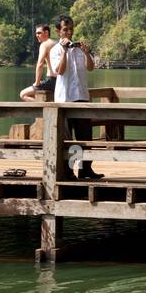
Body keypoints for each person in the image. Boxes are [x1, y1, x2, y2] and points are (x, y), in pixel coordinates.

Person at [50, 15, 103, 181]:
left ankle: (85, 169)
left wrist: (86, 53)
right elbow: (60, 71)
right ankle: (68, 172)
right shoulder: (56, 50)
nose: (69, 32)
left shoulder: (79, 48)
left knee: (85, 138)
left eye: (71, 28)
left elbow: (91, 67)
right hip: (65, 100)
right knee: (68, 140)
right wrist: (65, 51)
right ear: (58, 31)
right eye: (65, 29)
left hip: (82, 97)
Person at [18, 23, 58, 101]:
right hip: (61, 80)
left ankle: (45, 106)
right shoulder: (57, 43)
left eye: (39, 33)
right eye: (36, 33)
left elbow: (40, 64)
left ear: (46, 32)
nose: (37, 35)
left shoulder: (44, 44)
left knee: (23, 94)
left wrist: (37, 82)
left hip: (51, 81)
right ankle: (47, 105)